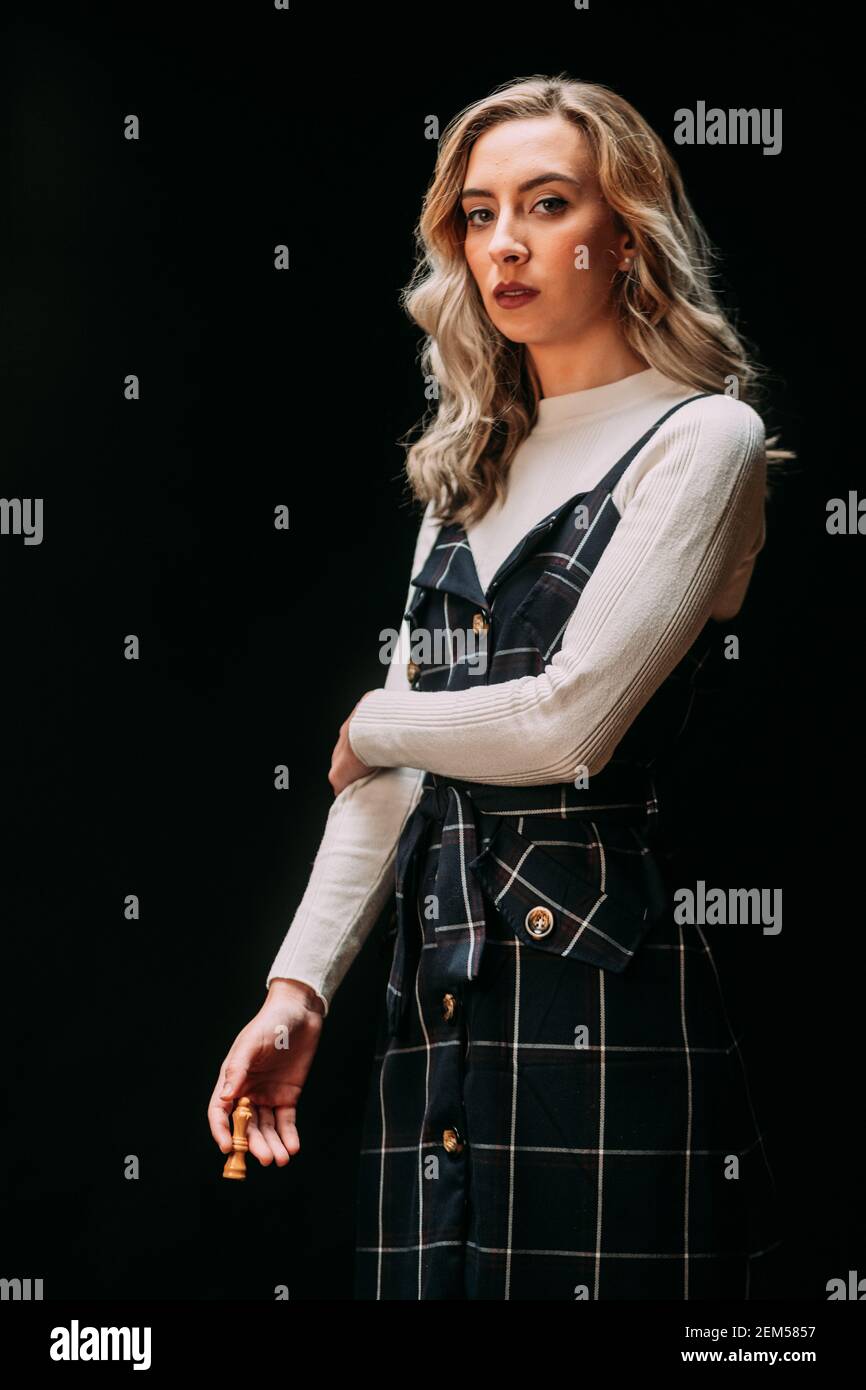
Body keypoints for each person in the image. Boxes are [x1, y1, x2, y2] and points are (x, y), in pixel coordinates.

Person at [208, 74, 792, 1300]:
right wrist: (296, 988)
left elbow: (567, 725)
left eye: (545, 203)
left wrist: (373, 719)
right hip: (444, 990)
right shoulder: (468, 465)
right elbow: (389, 784)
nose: (504, 245)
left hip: (607, 994)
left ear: (621, 232)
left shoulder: (701, 441)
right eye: (477, 215)